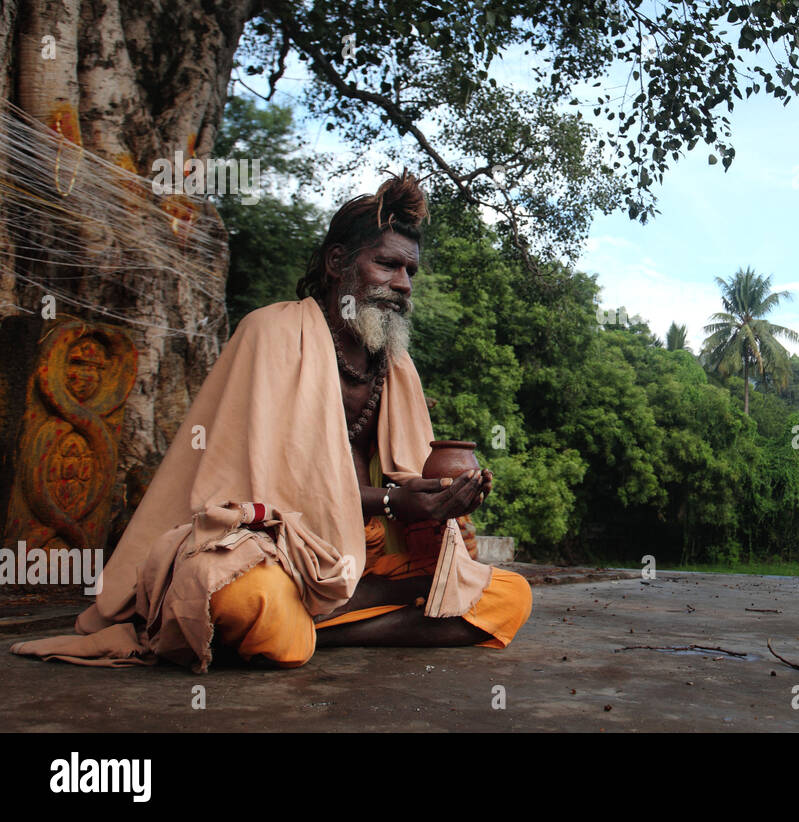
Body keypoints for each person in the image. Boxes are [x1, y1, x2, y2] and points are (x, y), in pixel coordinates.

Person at [11, 172, 531, 672]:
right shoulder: (269, 333)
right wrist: (397, 500)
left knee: (510, 596)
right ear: (337, 263)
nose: (402, 284)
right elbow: (253, 487)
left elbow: (407, 480)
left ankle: (324, 626)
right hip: (275, 552)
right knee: (249, 601)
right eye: (387, 265)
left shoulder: (397, 367)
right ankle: (328, 614)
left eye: (410, 272)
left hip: (368, 559)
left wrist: (444, 499)